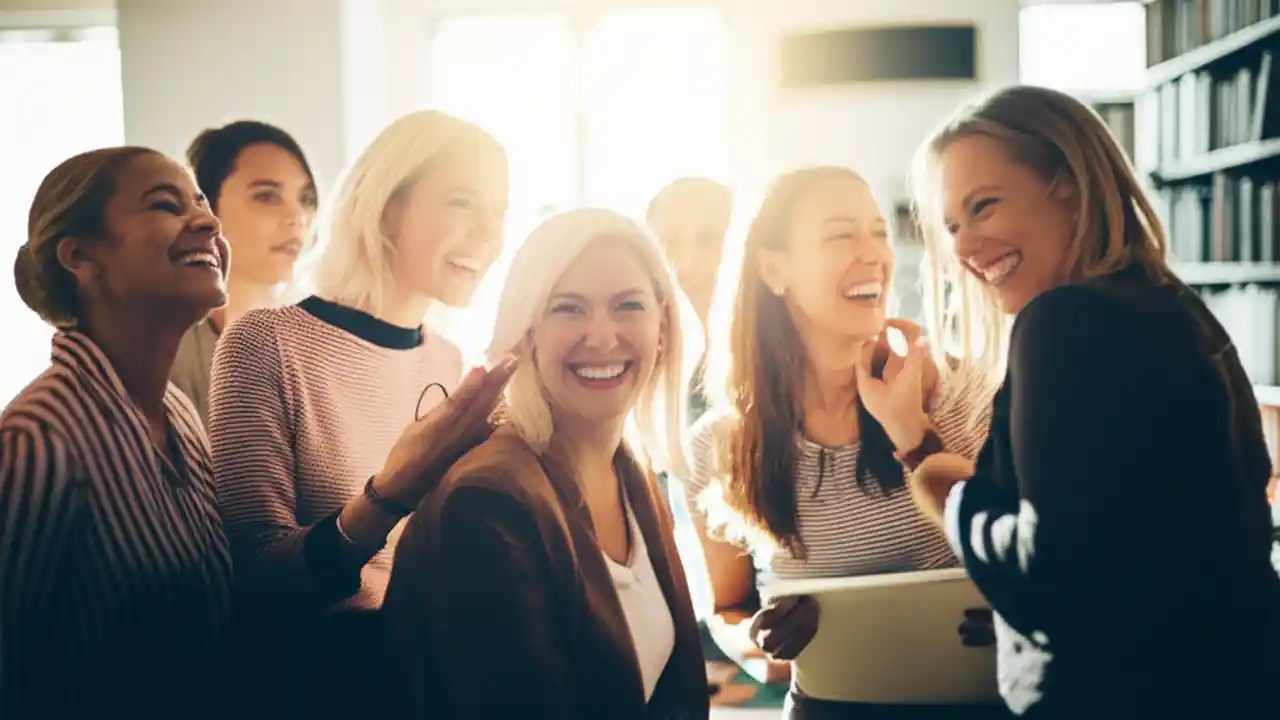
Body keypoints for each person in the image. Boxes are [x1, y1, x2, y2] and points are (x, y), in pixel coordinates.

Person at [889, 84, 1280, 716]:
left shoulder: (1062, 322)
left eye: (984, 207)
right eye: (952, 226)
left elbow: (1050, 574)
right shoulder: (1176, 308)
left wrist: (949, 489)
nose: (963, 247)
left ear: (1067, 181)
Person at [207, 110, 512, 716]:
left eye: (499, 212)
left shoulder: (448, 361)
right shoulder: (264, 342)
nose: (488, 235)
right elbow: (259, 578)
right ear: (384, 207)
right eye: (462, 202)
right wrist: (391, 492)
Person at [683, 166, 1002, 718]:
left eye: (879, 232)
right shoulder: (721, 443)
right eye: (840, 235)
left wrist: (913, 435)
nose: (875, 254)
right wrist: (761, 645)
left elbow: (1027, 551)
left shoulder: (962, 393)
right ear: (773, 269)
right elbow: (729, 607)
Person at [382, 208, 710, 719]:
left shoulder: (632, 470)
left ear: (662, 328)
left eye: (628, 306)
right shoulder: (486, 501)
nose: (601, 337)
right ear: (527, 330)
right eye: (568, 309)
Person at [1, 147, 233, 718]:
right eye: (165, 205)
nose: (208, 222)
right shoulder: (39, 440)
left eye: (201, 204)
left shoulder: (178, 414)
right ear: (82, 256)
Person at [170, 120, 318, 423]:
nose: (297, 217)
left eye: (306, 199)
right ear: (207, 207)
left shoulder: (315, 342)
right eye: (267, 196)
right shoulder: (168, 352)